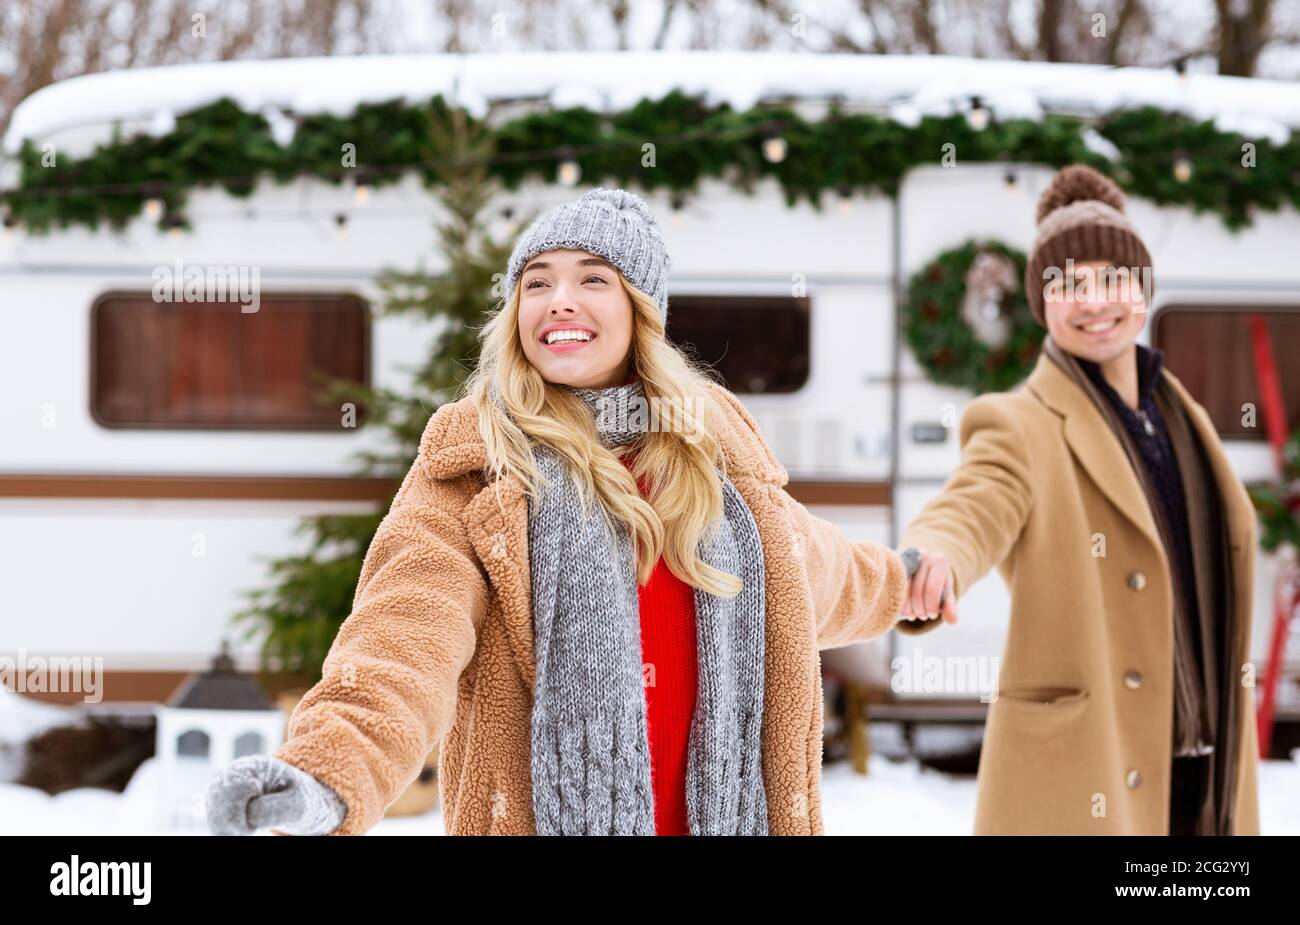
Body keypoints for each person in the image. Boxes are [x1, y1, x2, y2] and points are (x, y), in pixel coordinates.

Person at [206, 187, 909, 836]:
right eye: (536, 282)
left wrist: (908, 583)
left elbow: (821, 567)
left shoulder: (716, 458)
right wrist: (327, 768)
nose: (559, 300)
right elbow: (402, 632)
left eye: (592, 279)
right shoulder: (481, 464)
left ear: (641, 309)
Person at [896, 165, 1261, 835]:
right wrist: (933, 555)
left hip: (1208, 771)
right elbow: (975, 500)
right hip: (1096, 770)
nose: (1093, 300)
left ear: (1142, 291)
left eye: (1112, 278)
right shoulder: (1019, 421)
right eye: (1068, 284)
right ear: (1042, 303)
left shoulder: (1181, 415)